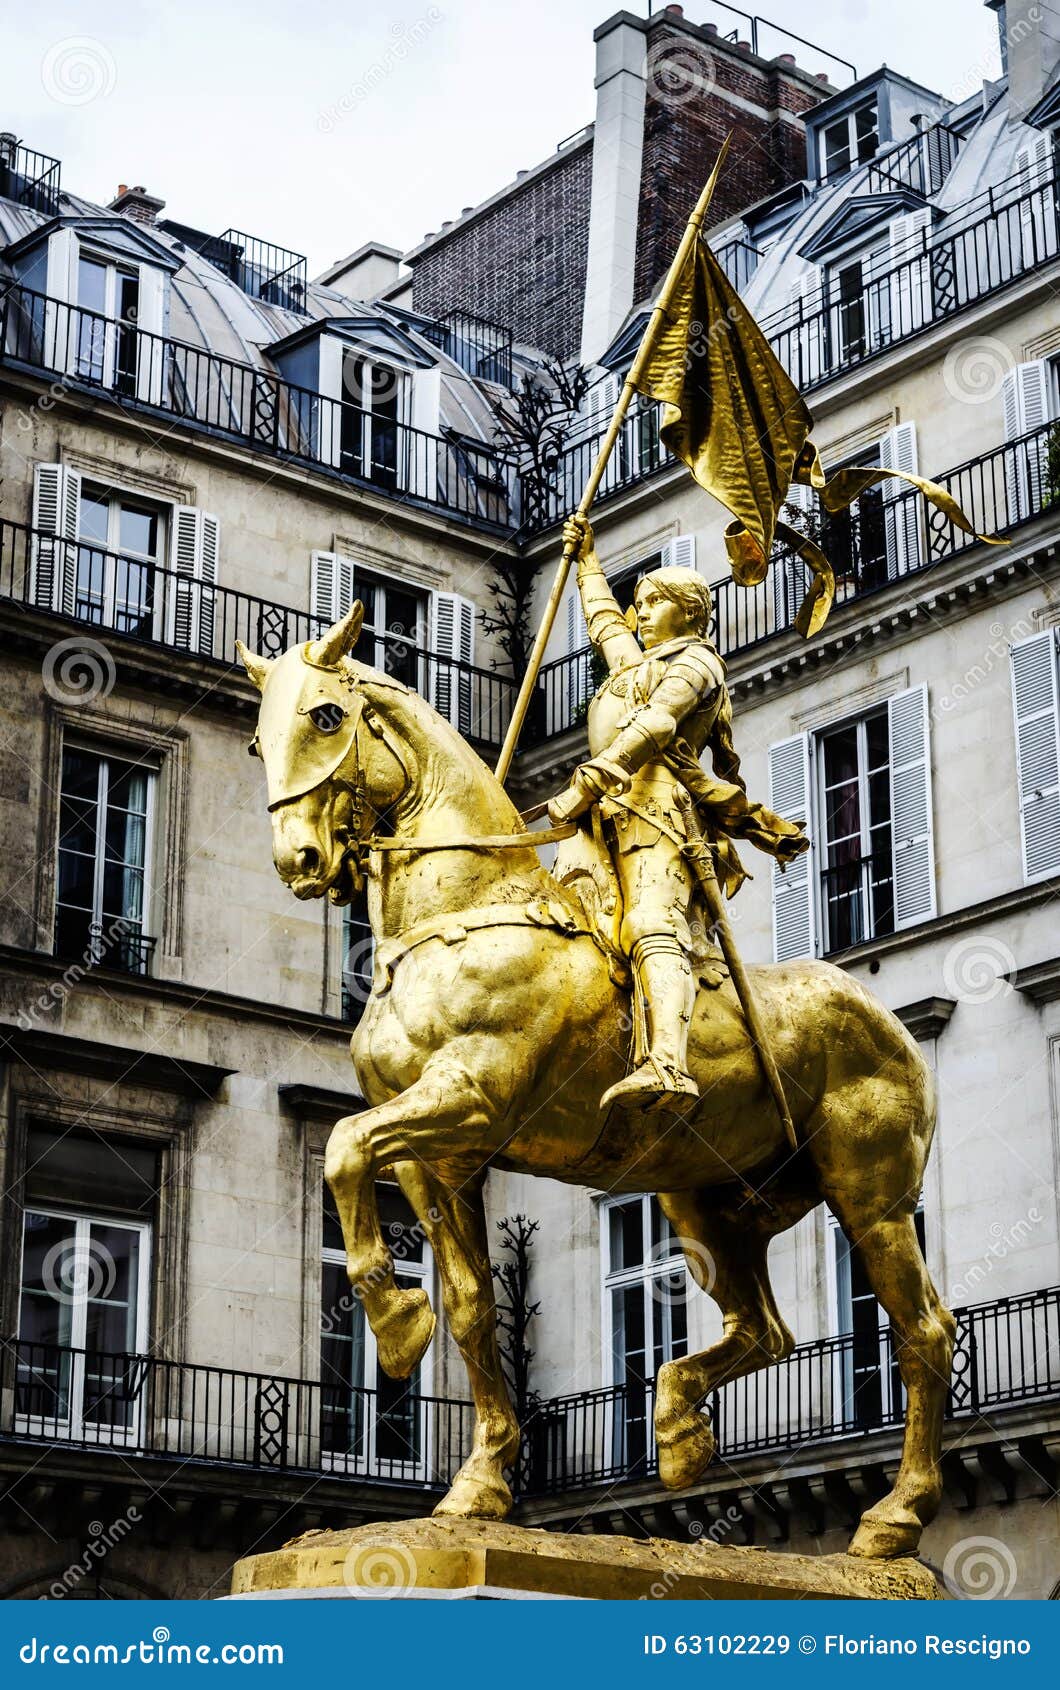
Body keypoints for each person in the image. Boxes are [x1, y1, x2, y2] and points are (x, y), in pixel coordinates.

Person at [548, 514, 808, 1111]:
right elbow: (604, 621)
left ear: (689, 611)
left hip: (660, 811)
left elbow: (658, 722)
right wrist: (586, 560)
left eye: (654, 602)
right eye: (639, 603)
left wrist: (590, 779)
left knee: (649, 923)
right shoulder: (636, 663)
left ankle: (668, 1062)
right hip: (604, 814)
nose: (640, 614)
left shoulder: (698, 664)